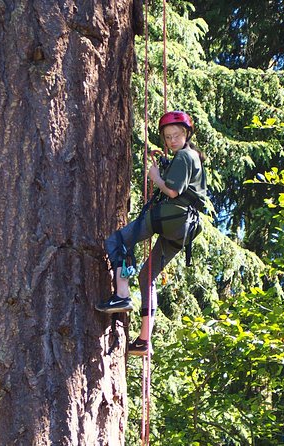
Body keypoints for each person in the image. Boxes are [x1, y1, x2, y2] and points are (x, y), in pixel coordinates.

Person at [96, 111, 207, 356]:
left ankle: (122, 295)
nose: (172, 141)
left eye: (177, 135)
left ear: (187, 134)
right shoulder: (193, 158)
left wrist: (156, 177)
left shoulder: (185, 156)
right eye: (168, 138)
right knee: (148, 276)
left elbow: (173, 191)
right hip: (185, 228)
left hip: (170, 215)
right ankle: (145, 340)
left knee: (118, 240)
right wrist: (166, 166)